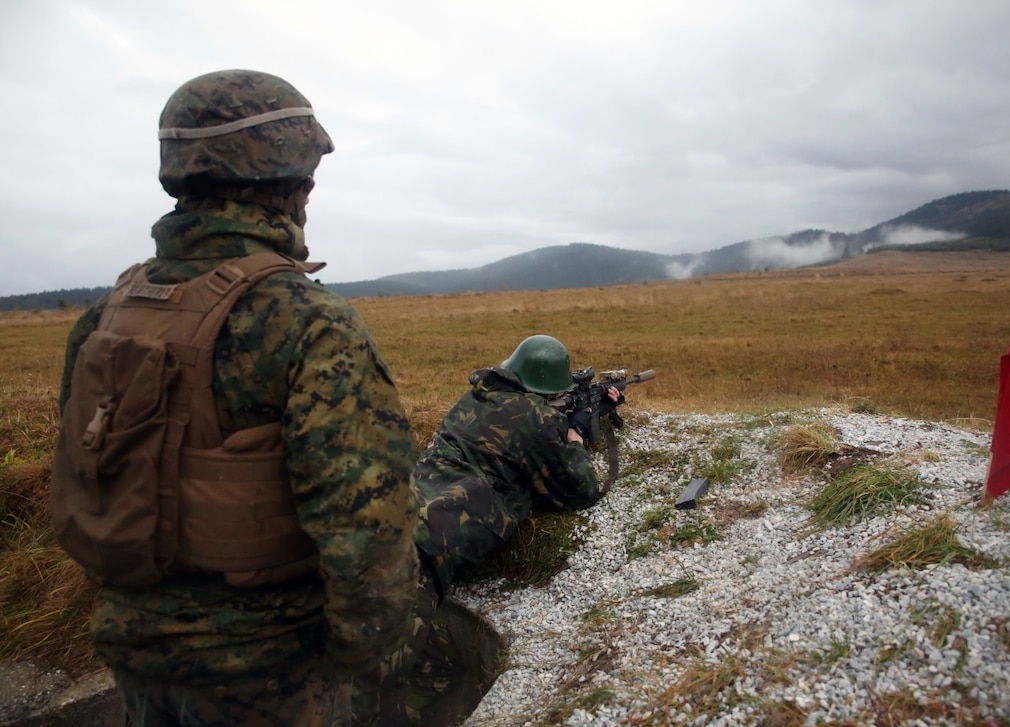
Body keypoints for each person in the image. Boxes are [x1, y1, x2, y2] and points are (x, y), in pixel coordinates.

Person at [52, 70, 419, 726]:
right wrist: (359, 668)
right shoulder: (309, 322)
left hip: (137, 655)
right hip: (272, 671)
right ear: (290, 183)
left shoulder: (105, 316)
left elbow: (88, 479)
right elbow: (367, 533)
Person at [376, 334, 617, 725]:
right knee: (399, 692)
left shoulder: (473, 400)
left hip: (382, 525)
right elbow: (582, 490)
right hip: (409, 564)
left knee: (437, 672)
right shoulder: (535, 418)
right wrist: (574, 433)